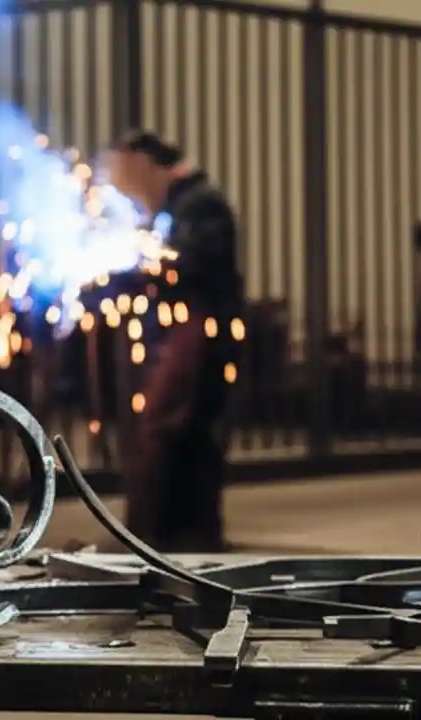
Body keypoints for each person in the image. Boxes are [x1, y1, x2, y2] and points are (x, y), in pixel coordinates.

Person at [104, 131, 244, 552]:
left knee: (178, 430)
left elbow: (193, 265)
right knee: (172, 431)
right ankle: (168, 532)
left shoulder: (200, 204)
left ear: (148, 165)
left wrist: (146, 266)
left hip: (199, 341)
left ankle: (172, 534)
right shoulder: (175, 208)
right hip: (179, 340)